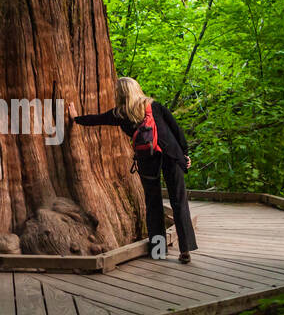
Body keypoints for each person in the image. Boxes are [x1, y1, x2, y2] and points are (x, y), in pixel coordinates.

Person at [68, 77, 198, 263]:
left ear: (119, 94)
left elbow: (97, 119)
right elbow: (176, 130)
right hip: (171, 155)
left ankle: (159, 251)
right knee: (179, 202)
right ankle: (185, 251)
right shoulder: (155, 106)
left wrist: (76, 118)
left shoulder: (120, 114)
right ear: (137, 89)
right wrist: (184, 154)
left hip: (148, 160)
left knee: (153, 204)